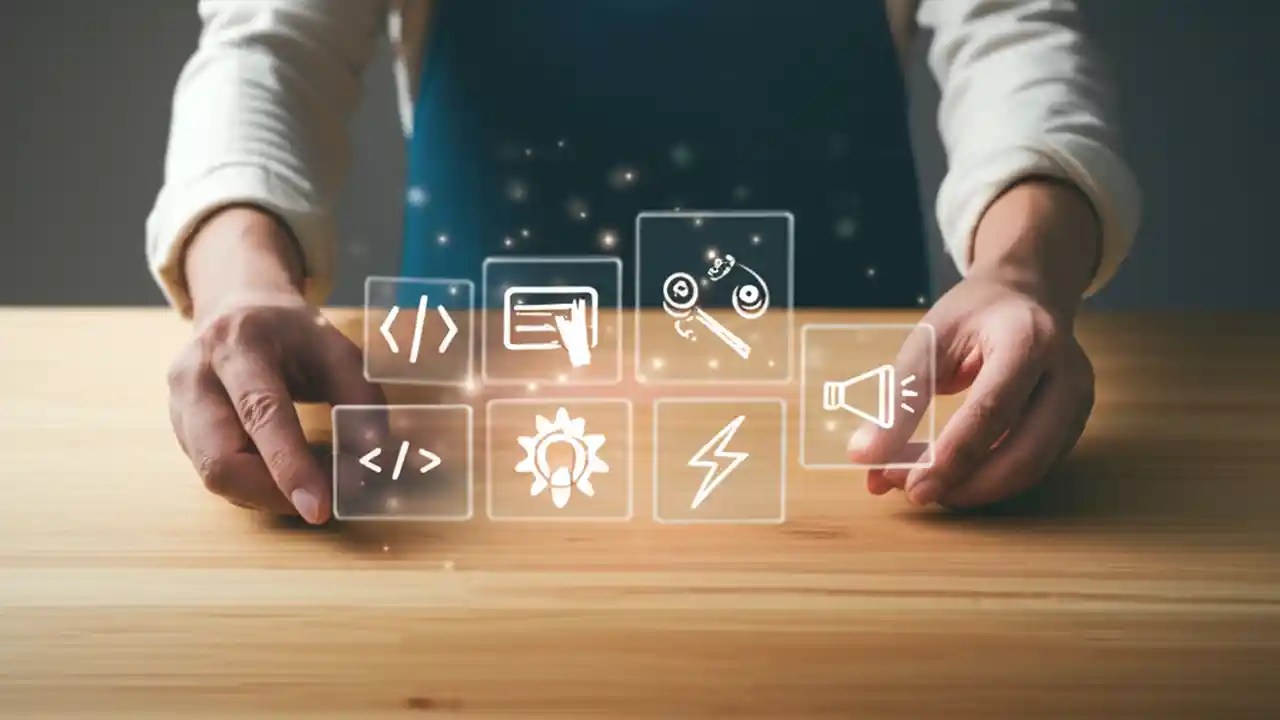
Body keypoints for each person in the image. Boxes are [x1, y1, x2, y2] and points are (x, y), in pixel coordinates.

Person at [149, 0, 1140, 524]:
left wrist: (1021, 272)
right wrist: (240, 281)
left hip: (857, 440)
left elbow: (1018, 35)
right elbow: (265, 51)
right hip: (467, 428)